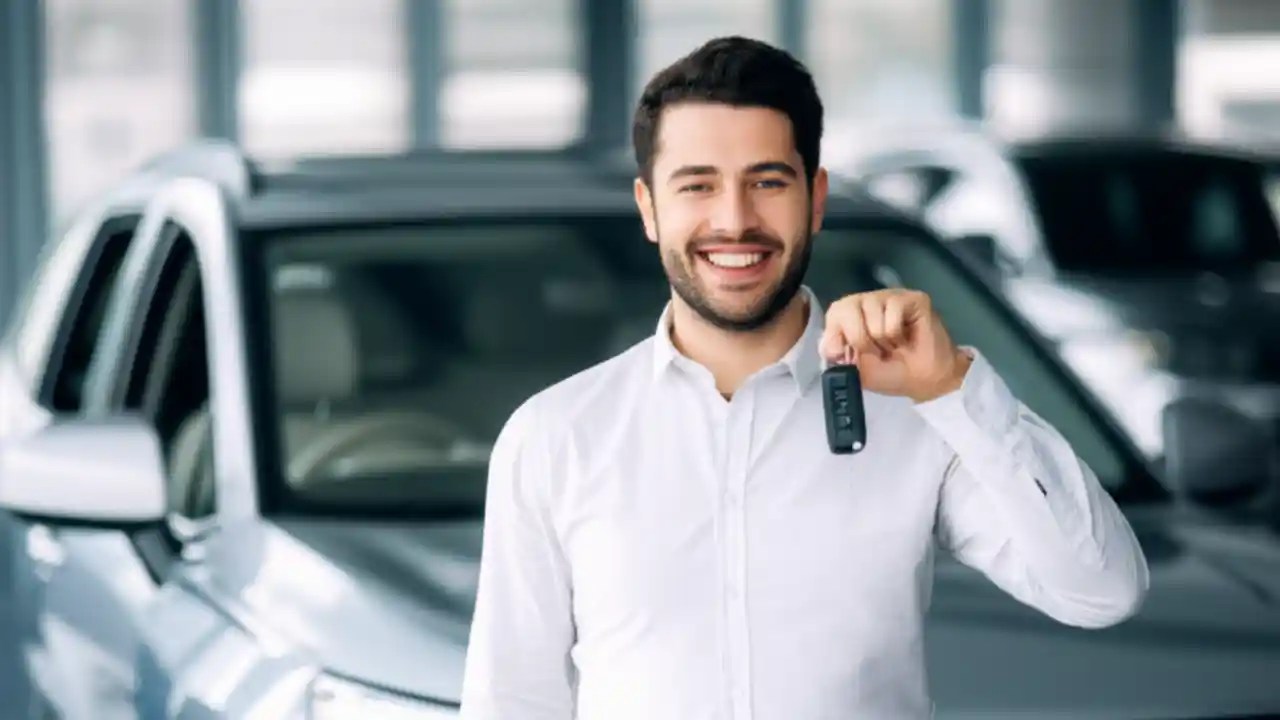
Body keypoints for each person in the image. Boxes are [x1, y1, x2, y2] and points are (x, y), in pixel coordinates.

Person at [459, 36, 1149, 720]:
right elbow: (511, 701)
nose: (734, 220)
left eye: (767, 182)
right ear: (649, 208)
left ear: (815, 199)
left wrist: (953, 387)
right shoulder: (555, 437)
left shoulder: (918, 413)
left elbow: (1101, 590)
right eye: (698, 184)